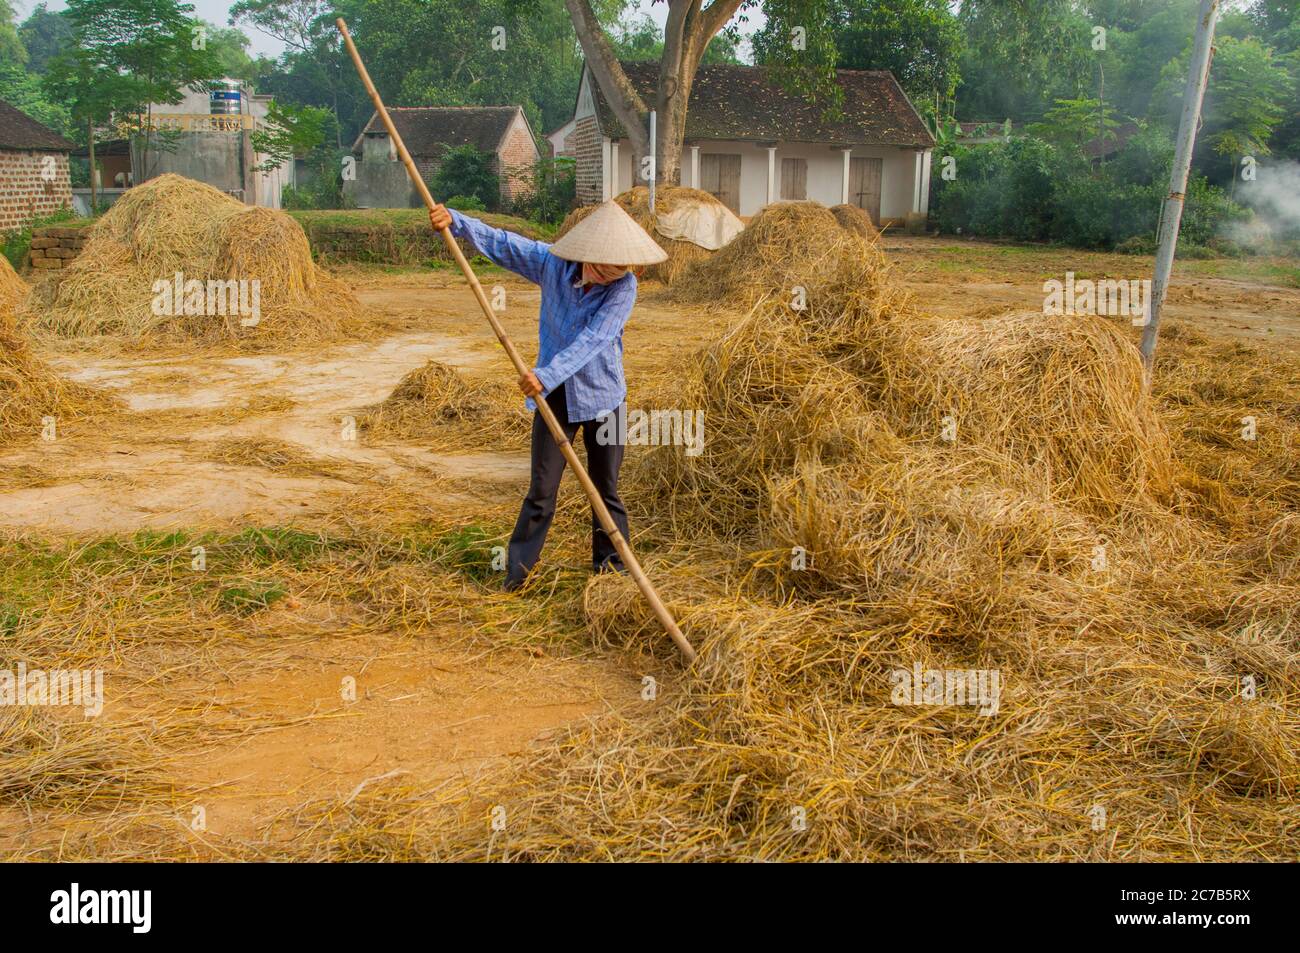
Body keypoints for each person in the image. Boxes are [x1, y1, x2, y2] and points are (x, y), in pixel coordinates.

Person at [427, 198, 668, 590]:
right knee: (541, 488)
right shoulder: (552, 264)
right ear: (588, 253)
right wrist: (456, 222)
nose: (610, 274)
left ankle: (610, 574)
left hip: (605, 399)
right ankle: (516, 576)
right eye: (606, 266)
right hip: (554, 397)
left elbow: (596, 338)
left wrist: (545, 373)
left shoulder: (624, 288)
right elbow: (506, 244)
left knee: (605, 489)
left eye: (620, 268)